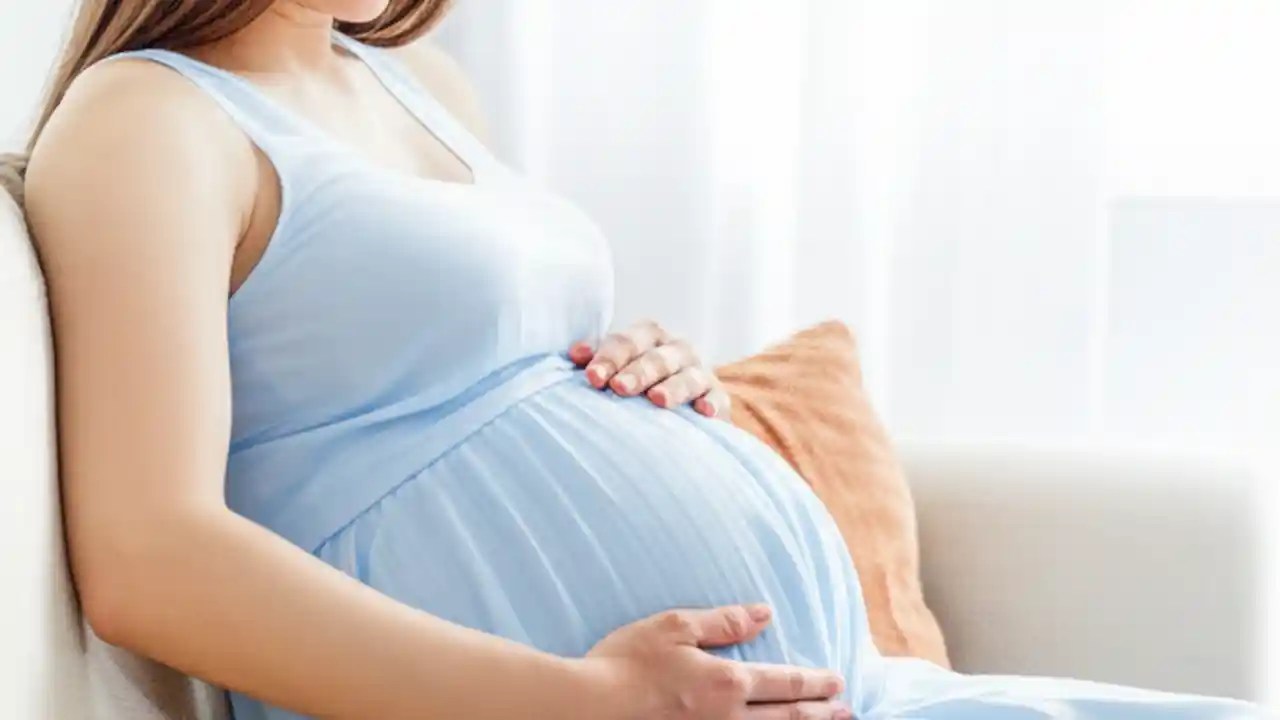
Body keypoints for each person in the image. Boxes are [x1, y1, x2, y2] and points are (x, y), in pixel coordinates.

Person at [4, 1, 1263, 718]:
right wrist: (578, 701)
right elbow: (148, 558)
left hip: (851, 692)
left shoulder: (416, 83)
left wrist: (644, 367)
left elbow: (478, 365)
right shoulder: (148, 120)